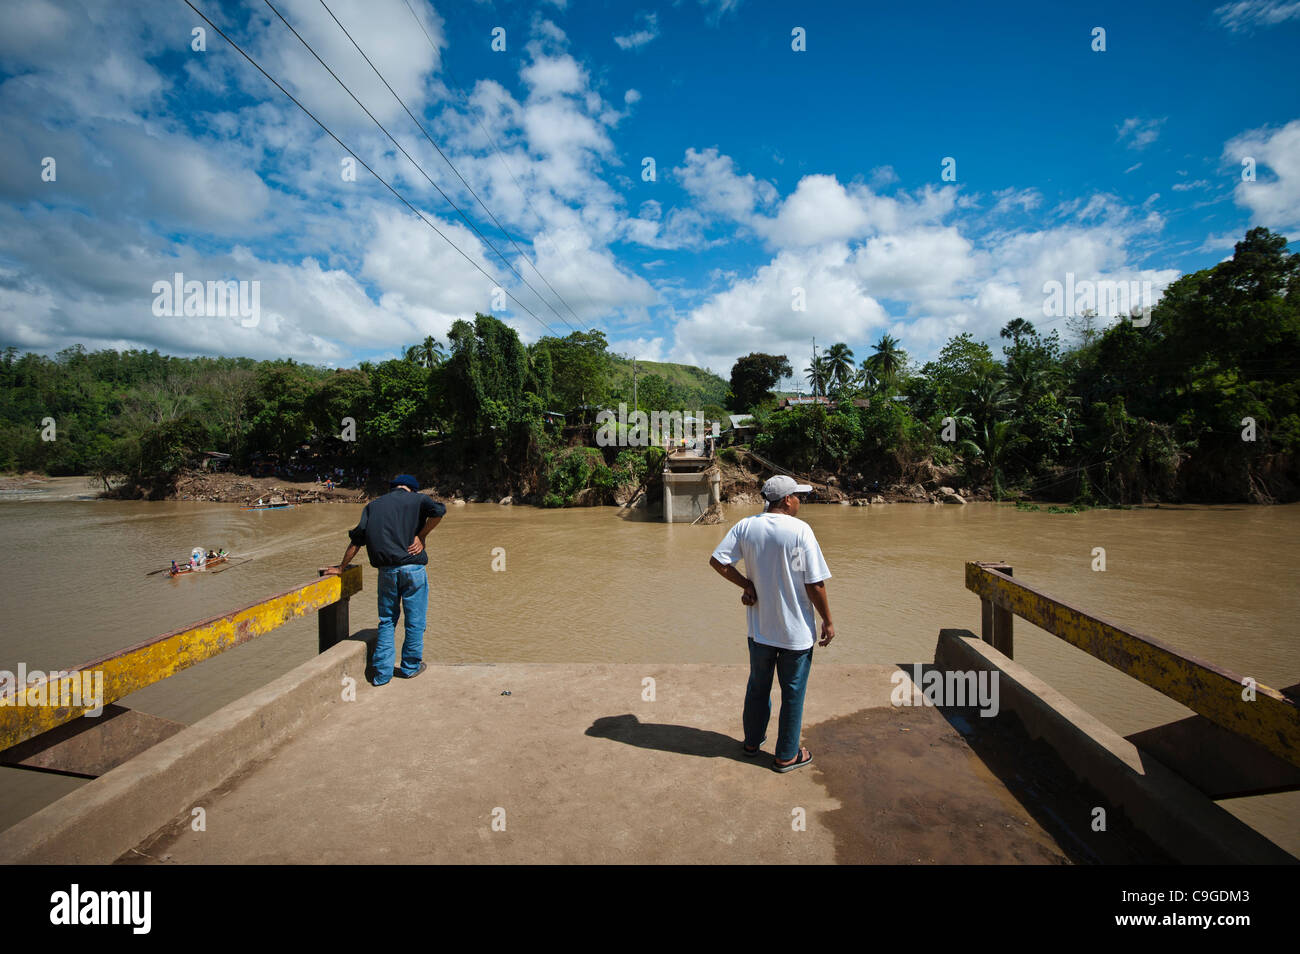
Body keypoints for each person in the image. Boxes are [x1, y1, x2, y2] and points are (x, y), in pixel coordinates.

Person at [708, 475, 835, 773]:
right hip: (795, 636)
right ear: (787, 500)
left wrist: (746, 584)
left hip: (760, 631)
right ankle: (787, 755)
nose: (799, 502)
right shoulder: (801, 531)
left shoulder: (746, 526)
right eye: (798, 497)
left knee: (758, 686)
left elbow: (718, 561)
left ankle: (752, 743)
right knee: (792, 693)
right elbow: (814, 584)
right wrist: (828, 620)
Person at [324, 474, 446, 686]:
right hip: (413, 570)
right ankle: (410, 667)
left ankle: (382, 674)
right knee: (415, 621)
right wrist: (422, 535)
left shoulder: (373, 506)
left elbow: (357, 541)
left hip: (387, 572)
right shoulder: (419, 500)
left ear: (393, 488)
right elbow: (439, 511)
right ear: (412, 489)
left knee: (387, 621)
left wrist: (341, 568)